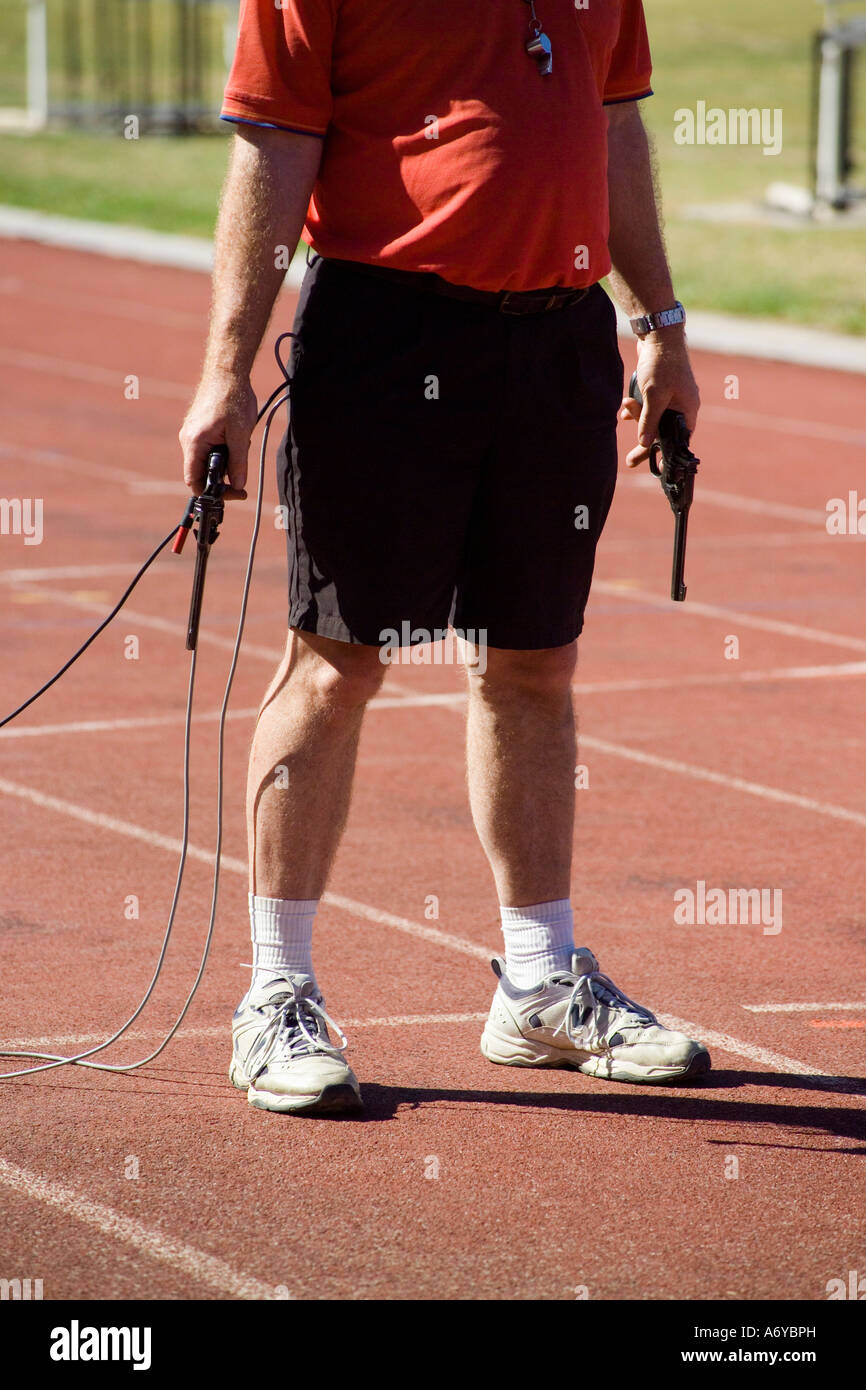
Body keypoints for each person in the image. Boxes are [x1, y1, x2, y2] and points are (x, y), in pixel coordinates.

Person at [179, 0, 709, 1115]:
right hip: (386, 334)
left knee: (531, 661)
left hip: (561, 340)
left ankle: (536, 982)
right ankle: (275, 994)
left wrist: (656, 318)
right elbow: (274, 149)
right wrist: (225, 371)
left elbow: (611, 125)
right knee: (336, 662)